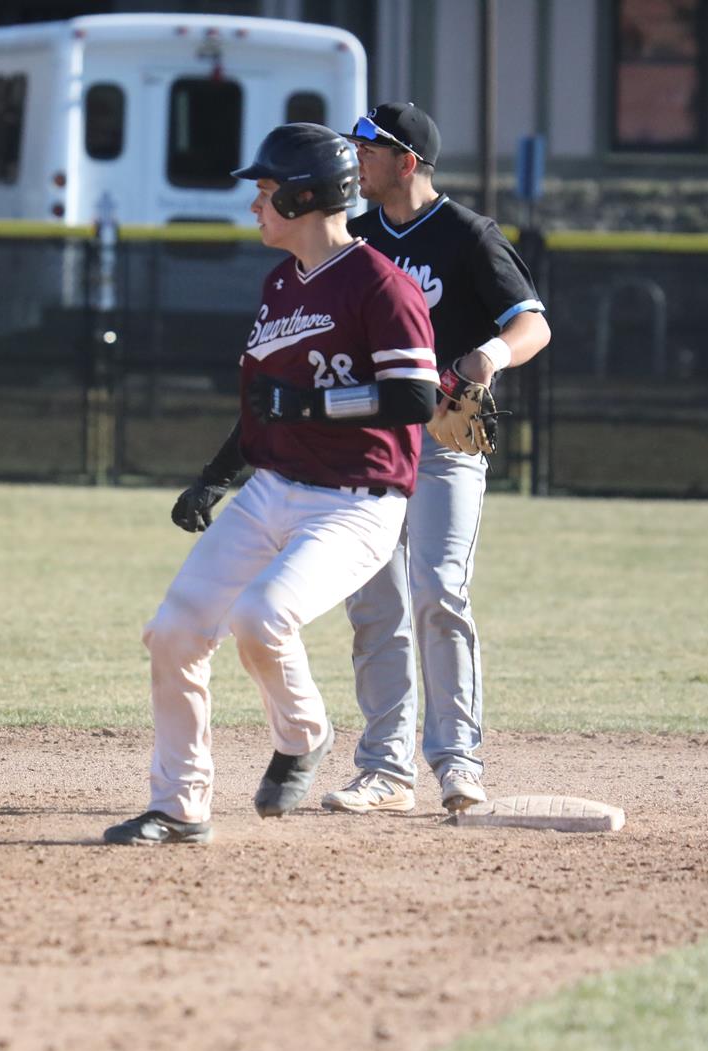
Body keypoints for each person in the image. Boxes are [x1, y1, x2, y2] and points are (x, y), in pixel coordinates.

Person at [103, 122, 439, 846]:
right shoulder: (282, 282)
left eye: (265, 192)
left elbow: (414, 399)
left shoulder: (382, 283)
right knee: (175, 632)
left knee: (261, 617)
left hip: (357, 503)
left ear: (306, 195)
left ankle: (304, 734)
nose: (254, 206)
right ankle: (179, 805)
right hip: (272, 491)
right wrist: (214, 479)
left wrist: (314, 406)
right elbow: (264, 404)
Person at [319, 102, 551, 816]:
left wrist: (490, 354)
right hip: (366, 446)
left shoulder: (468, 237)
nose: (358, 158)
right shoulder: (352, 238)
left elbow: (533, 325)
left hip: (446, 445)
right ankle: (386, 771)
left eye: (370, 147)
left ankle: (457, 763)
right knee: (373, 601)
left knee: (439, 592)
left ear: (407, 162)